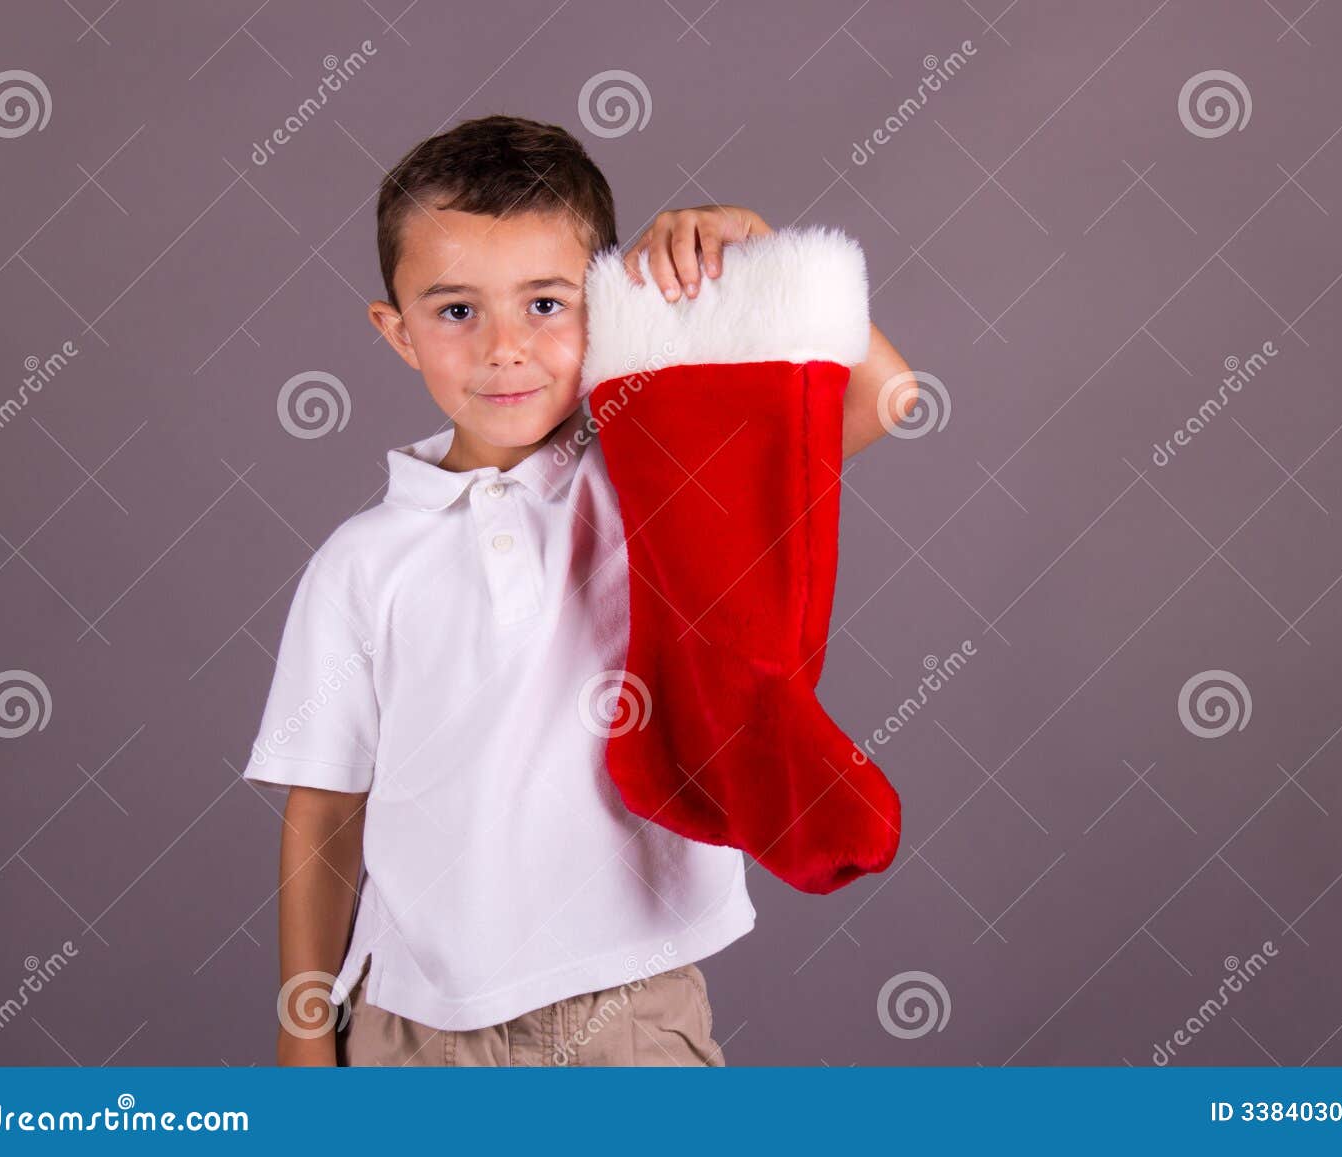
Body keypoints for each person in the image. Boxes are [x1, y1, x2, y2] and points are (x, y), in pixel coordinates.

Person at [241, 113, 915, 1067]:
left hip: (632, 1007)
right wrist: (302, 1025)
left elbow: (882, 395)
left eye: (546, 304)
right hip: (417, 1030)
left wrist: (758, 252)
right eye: (457, 311)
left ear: (603, 307)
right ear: (397, 332)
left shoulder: (657, 482)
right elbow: (325, 810)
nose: (505, 348)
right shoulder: (361, 564)